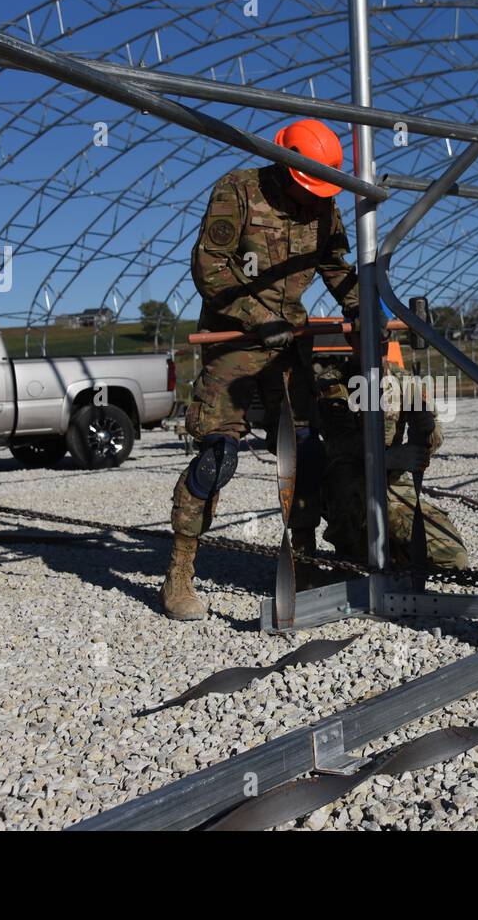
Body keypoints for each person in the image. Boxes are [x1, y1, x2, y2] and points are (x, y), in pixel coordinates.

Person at [162, 119, 358, 620]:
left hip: (289, 346)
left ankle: (304, 557)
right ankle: (180, 573)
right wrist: (258, 316)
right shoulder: (240, 190)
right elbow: (211, 265)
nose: (308, 197)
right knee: (217, 457)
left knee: (303, 453)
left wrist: (361, 307)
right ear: (283, 162)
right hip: (235, 338)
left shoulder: (324, 201)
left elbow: (335, 264)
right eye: (303, 185)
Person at [314, 332, 468, 571]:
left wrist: (426, 431)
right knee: (359, 565)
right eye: (367, 339)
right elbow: (337, 443)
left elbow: (433, 438)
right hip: (350, 485)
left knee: (452, 559)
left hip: (394, 482)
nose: (378, 348)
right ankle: (352, 552)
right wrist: (382, 458)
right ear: (352, 341)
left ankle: (397, 553)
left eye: (383, 342)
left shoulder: (404, 380)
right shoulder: (334, 382)